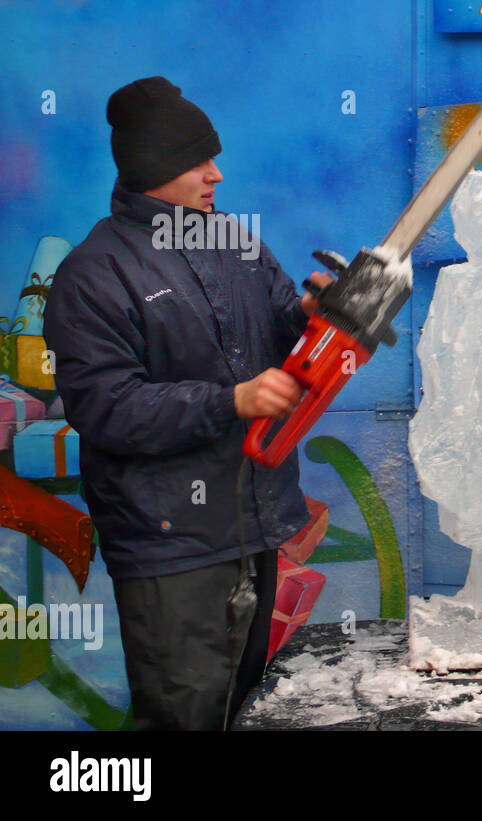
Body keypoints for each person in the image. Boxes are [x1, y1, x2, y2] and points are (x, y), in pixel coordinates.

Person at [44, 76, 333, 730]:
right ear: (156, 167)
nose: (217, 174)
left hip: (256, 528)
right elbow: (106, 407)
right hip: (171, 548)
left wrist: (313, 313)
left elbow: (279, 321)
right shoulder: (94, 274)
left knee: (248, 711)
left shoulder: (233, 240)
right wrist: (232, 400)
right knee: (184, 716)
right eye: (200, 161)